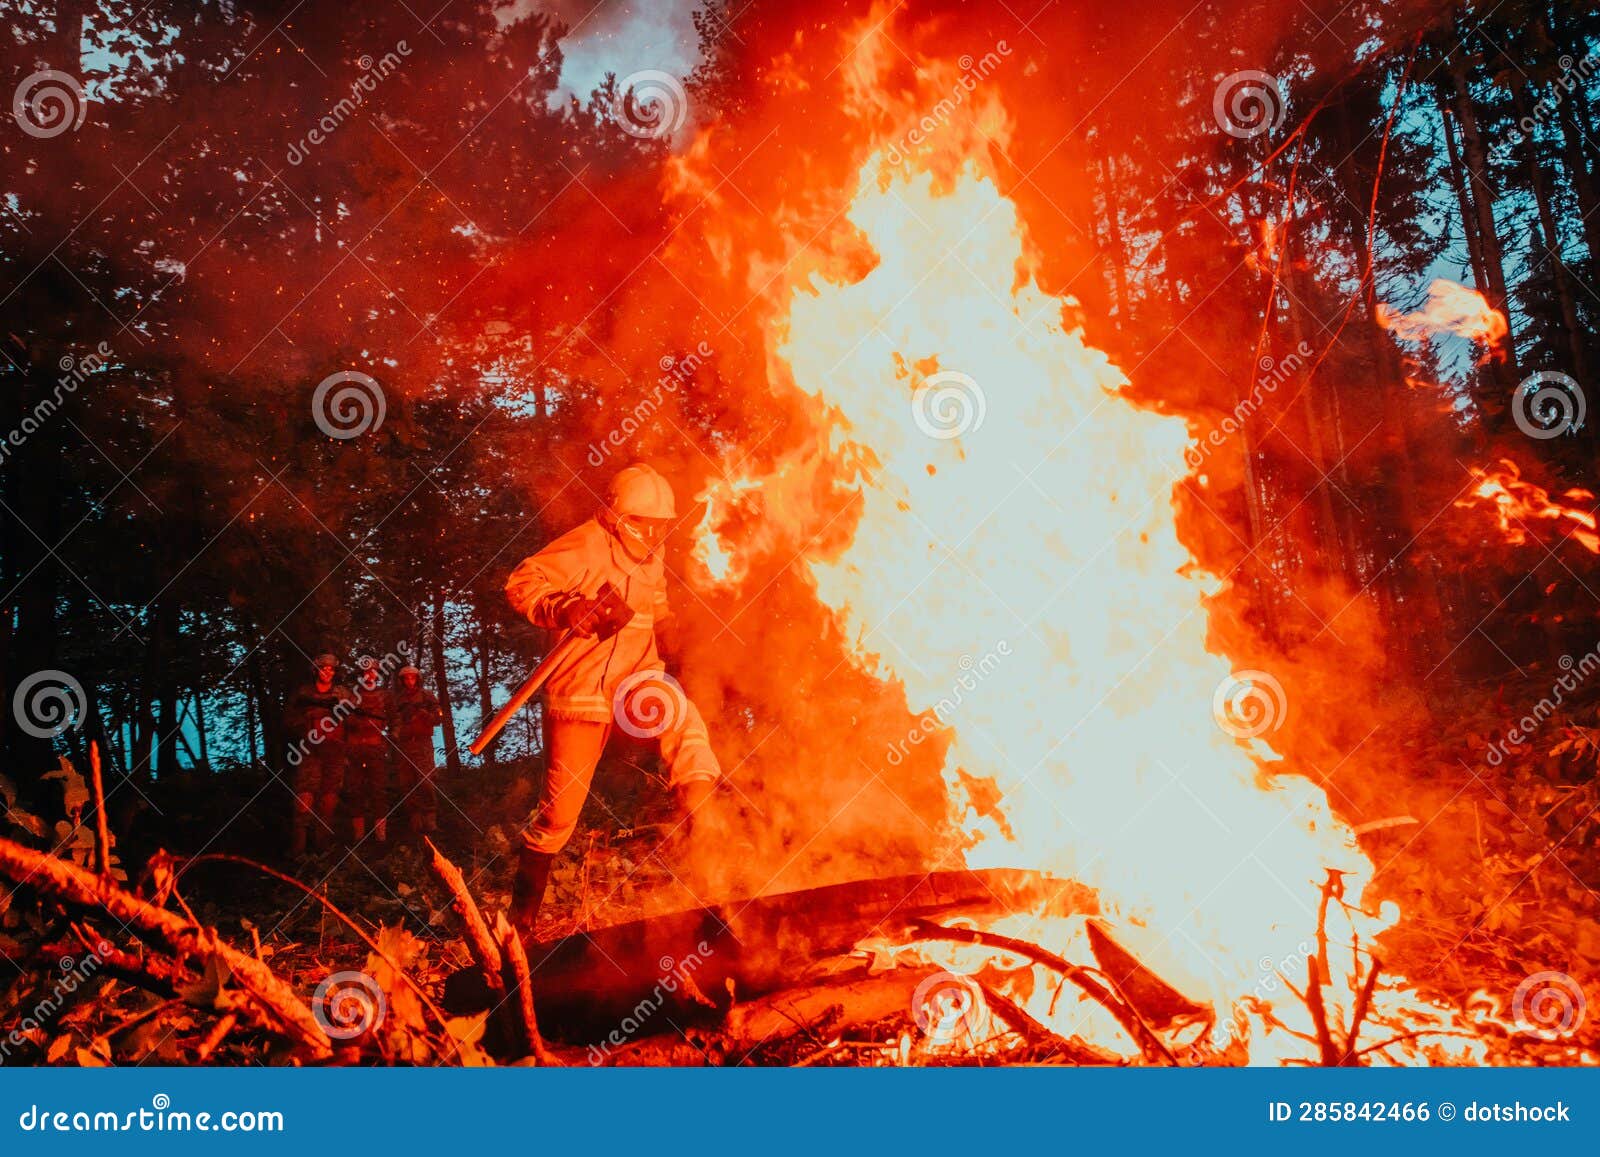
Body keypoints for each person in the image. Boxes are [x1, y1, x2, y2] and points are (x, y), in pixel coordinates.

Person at [504, 463, 720, 938]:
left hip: (637, 681)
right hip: (580, 693)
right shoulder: (586, 543)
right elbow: (522, 582)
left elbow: (656, 601)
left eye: (661, 525)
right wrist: (563, 607)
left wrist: (669, 626)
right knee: (558, 816)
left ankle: (710, 856)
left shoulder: (653, 551)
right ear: (616, 516)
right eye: (643, 523)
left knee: (687, 729)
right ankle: (520, 928)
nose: (652, 533)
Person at [285, 653, 351, 857]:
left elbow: (352, 722)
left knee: (329, 798)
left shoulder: (342, 694)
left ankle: (322, 849)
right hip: (310, 750)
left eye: (331, 669)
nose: (327, 672)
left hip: (335, 751)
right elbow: (289, 720)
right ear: (316, 670)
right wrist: (308, 720)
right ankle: (299, 850)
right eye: (324, 668)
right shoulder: (304, 693)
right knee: (305, 796)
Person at [389, 665, 443, 840]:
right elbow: (393, 721)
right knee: (407, 782)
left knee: (425, 781)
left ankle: (430, 815)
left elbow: (438, 718)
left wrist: (424, 714)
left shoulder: (427, 696)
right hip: (404, 745)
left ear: (417, 679)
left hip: (422, 744)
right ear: (402, 681)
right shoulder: (398, 700)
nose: (409, 681)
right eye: (406, 678)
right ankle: (415, 817)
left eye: (412, 678)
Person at [343, 662, 390, 846]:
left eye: (373, 672)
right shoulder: (351, 697)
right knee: (355, 791)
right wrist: (353, 720)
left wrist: (389, 739)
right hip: (355, 750)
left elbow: (394, 719)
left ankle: (381, 836)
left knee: (378, 791)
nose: (369, 675)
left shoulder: (384, 696)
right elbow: (342, 720)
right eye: (366, 672)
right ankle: (358, 835)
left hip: (375, 749)